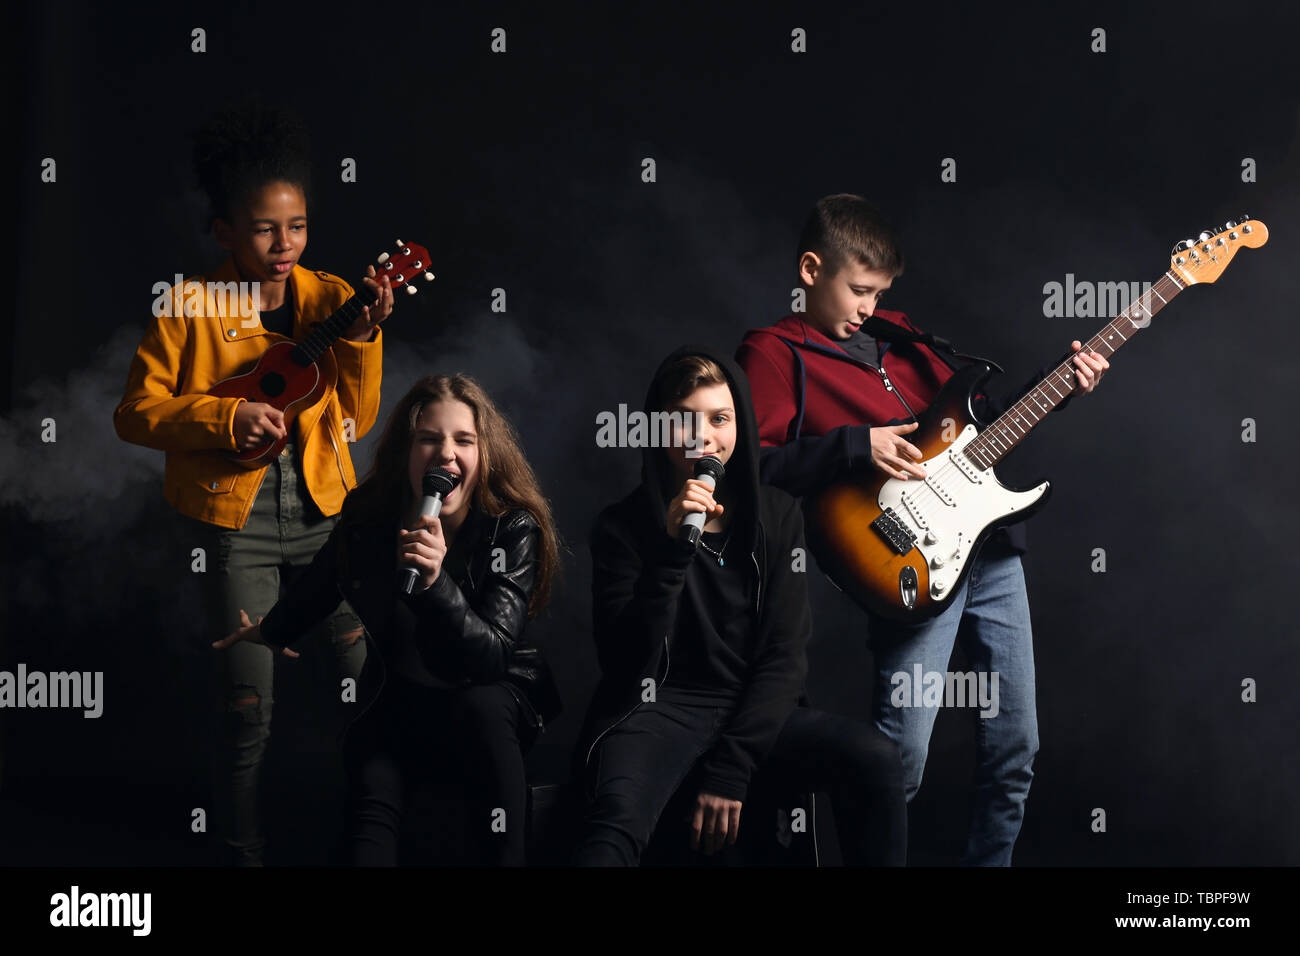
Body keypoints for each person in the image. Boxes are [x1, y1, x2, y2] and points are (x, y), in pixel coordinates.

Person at [735, 193, 1110, 865]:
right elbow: (751, 465)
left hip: (989, 552)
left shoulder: (899, 337)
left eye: (879, 294)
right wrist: (856, 446)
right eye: (858, 291)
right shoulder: (773, 352)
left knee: (1015, 747)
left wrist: (1062, 383)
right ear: (811, 269)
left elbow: (982, 426)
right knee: (899, 757)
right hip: (904, 556)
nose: (867, 310)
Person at [113, 101, 391, 865]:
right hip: (237, 533)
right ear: (226, 232)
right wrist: (223, 421)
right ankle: (241, 854)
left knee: (370, 691)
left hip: (327, 521)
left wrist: (364, 335)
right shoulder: (188, 307)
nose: (284, 244)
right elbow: (134, 414)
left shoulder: (336, 300)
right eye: (266, 228)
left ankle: (373, 842)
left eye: (297, 225)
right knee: (246, 711)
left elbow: (358, 417)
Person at [573, 346, 906, 866]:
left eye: (719, 419)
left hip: (748, 705)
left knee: (875, 758)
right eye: (682, 421)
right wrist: (669, 553)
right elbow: (624, 663)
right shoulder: (621, 526)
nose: (702, 436)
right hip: (656, 707)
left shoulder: (776, 516)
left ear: (740, 425)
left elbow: (784, 657)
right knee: (612, 827)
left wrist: (731, 767)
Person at [214, 374, 563, 866]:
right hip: (399, 692)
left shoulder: (510, 527)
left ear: (484, 454)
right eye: (428, 439)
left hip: (482, 695)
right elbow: (324, 580)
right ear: (406, 450)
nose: (446, 454)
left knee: (486, 715)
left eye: (464, 440)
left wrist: (435, 584)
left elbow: (489, 658)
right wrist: (269, 631)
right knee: (370, 811)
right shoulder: (369, 518)